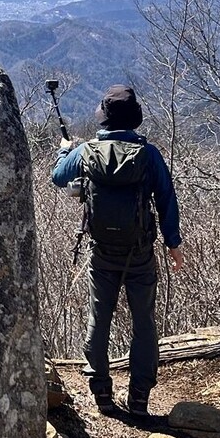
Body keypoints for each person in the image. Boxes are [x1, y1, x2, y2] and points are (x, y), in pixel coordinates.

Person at [51, 84, 184, 416]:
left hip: (102, 252)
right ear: (133, 118)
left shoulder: (88, 152)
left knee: (99, 318)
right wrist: (173, 243)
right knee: (144, 323)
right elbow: (166, 198)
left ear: (104, 119)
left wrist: (65, 151)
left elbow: (57, 177)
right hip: (139, 253)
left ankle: (102, 394)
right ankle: (139, 398)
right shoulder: (148, 154)